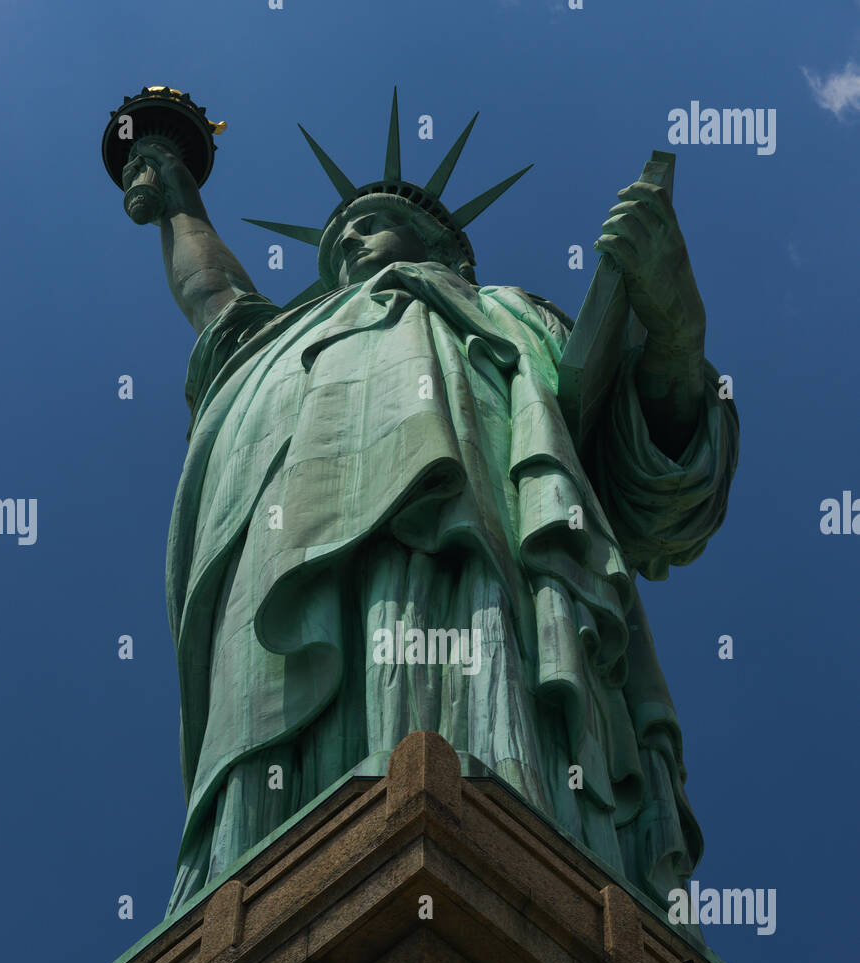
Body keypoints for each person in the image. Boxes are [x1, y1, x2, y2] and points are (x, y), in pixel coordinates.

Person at [120, 101, 738, 919]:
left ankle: (513, 869)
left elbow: (651, 489)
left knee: (469, 725)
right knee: (272, 781)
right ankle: (254, 913)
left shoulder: (511, 315)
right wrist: (178, 200)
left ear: (447, 249)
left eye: (371, 223)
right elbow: (217, 300)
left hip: (474, 541)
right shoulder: (284, 340)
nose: (349, 239)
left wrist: (673, 332)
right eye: (339, 234)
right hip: (279, 559)